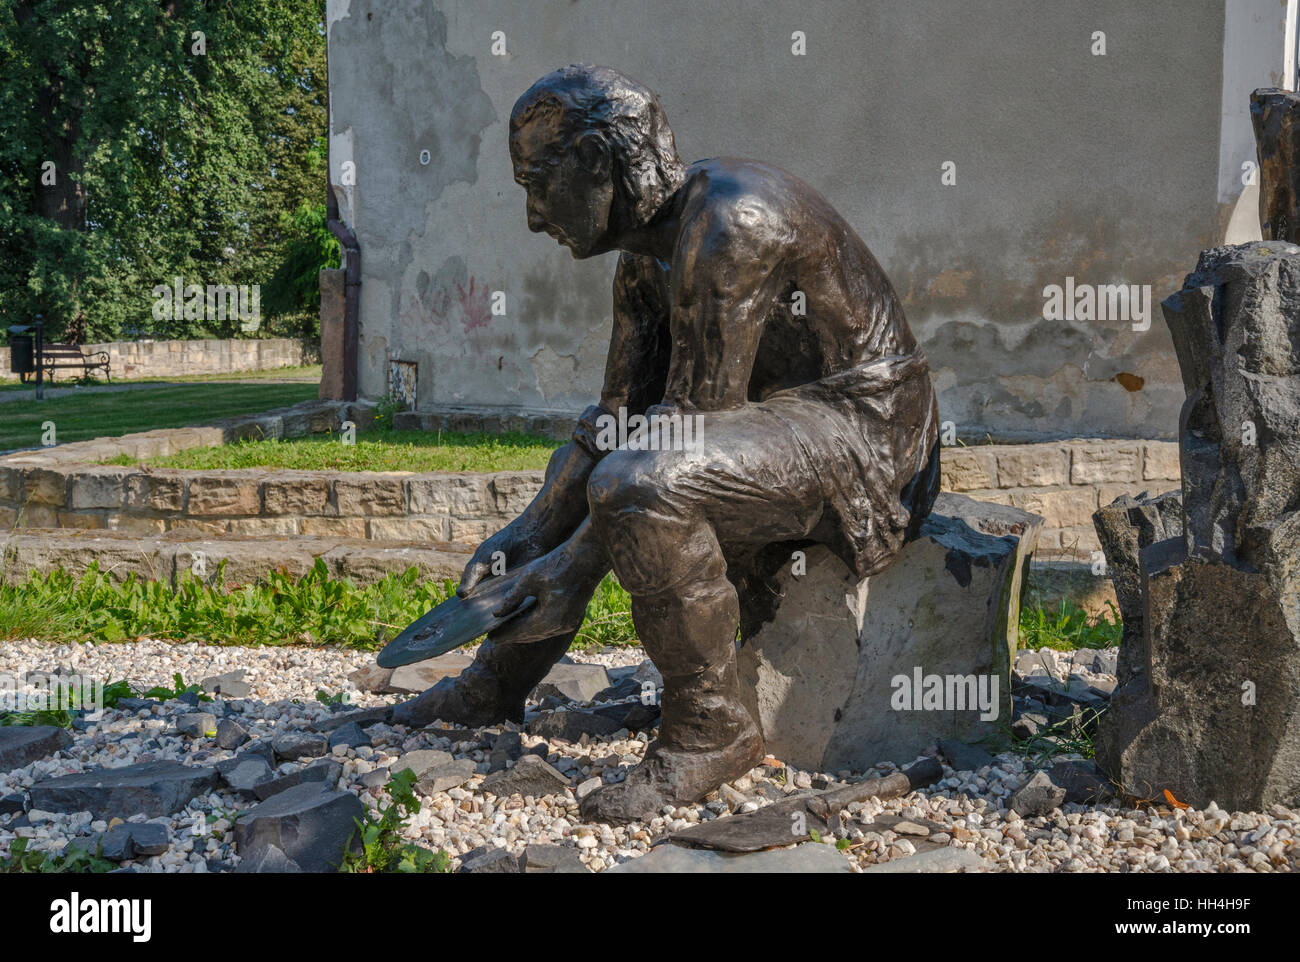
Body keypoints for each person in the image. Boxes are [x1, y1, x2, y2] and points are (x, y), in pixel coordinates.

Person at [393, 64, 941, 824]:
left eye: (536, 184)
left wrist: (568, 569)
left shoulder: (731, 225)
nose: (531, 216)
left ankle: (711, 727)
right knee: (597, 471)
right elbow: (615, 421)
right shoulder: (645, 254)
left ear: (594, 160)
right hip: (776, 417)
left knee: (641, 488)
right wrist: (524, 535)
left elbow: (684, 435)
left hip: (866, 430)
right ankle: (493, 686)